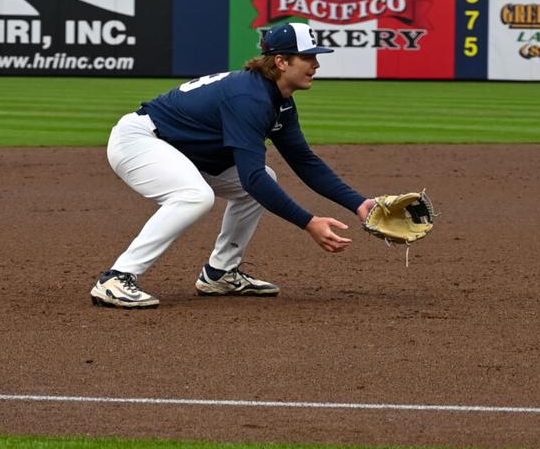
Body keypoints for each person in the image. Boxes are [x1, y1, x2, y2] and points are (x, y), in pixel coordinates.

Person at [91, 22, 377, 309]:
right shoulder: (249, 98)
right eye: (307, 57)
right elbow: (251, 177)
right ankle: (117, 278)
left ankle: (220, 273)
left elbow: (303, 161)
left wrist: (358, 203)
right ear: (281, 61)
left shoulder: (280, 101)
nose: (315, 64)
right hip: (139, 141)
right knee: (196, 196)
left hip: (181, 150)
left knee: (266, 177)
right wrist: (309, 223)